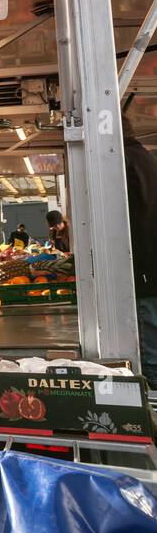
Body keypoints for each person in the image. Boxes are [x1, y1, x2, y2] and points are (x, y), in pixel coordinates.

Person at [122, 116, 157, 384]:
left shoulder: (122, 162)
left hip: (144, 269)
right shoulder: (145, 159)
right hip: (151, 266)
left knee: (150, 355)